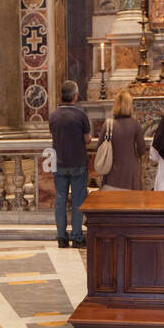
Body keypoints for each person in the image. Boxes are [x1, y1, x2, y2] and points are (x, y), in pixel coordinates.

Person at [49, 80, 92, 248]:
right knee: (77, 201)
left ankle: (61, 237)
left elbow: (54, 135)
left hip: (58, 163)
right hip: (77, 163)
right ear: (75, 96)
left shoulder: (53, 116)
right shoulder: (80, 115)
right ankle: (77, 236)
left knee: (60, 201)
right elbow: (87, 139)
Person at [101, 90, 147, 191]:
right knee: (131, 200)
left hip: (112, 173)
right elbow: (142, 149)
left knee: (112, 201)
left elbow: (99, 147)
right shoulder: (135, 125)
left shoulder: (108, 125)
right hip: (131, 174)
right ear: (130, 106)